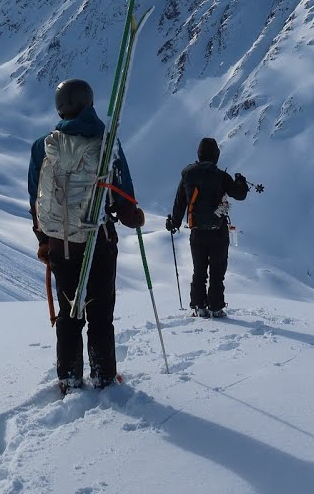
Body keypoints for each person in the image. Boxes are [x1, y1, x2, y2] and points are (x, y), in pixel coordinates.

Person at [29, 78, 145, 391]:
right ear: (89, 102)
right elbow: (124, 199)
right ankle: (103, 376)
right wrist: (133, 216)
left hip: (61, 244)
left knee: (69, 313)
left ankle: (69, 378)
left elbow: (35, 200)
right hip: (100, 241)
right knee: (100, 313)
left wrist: (44, 242)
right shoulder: (107, 144)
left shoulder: (43, 146)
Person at [165, 137, 249, 318]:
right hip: (218, 232)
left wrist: (174, 222)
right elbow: (239, 194)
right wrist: (240, 181)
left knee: (199, 270)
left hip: (197, 232)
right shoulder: (221, 176)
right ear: (216, 155)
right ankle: (216, 308)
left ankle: (199, 307)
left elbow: (180, 202)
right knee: (217, 271)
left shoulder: (188, 174)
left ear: (199, 154)